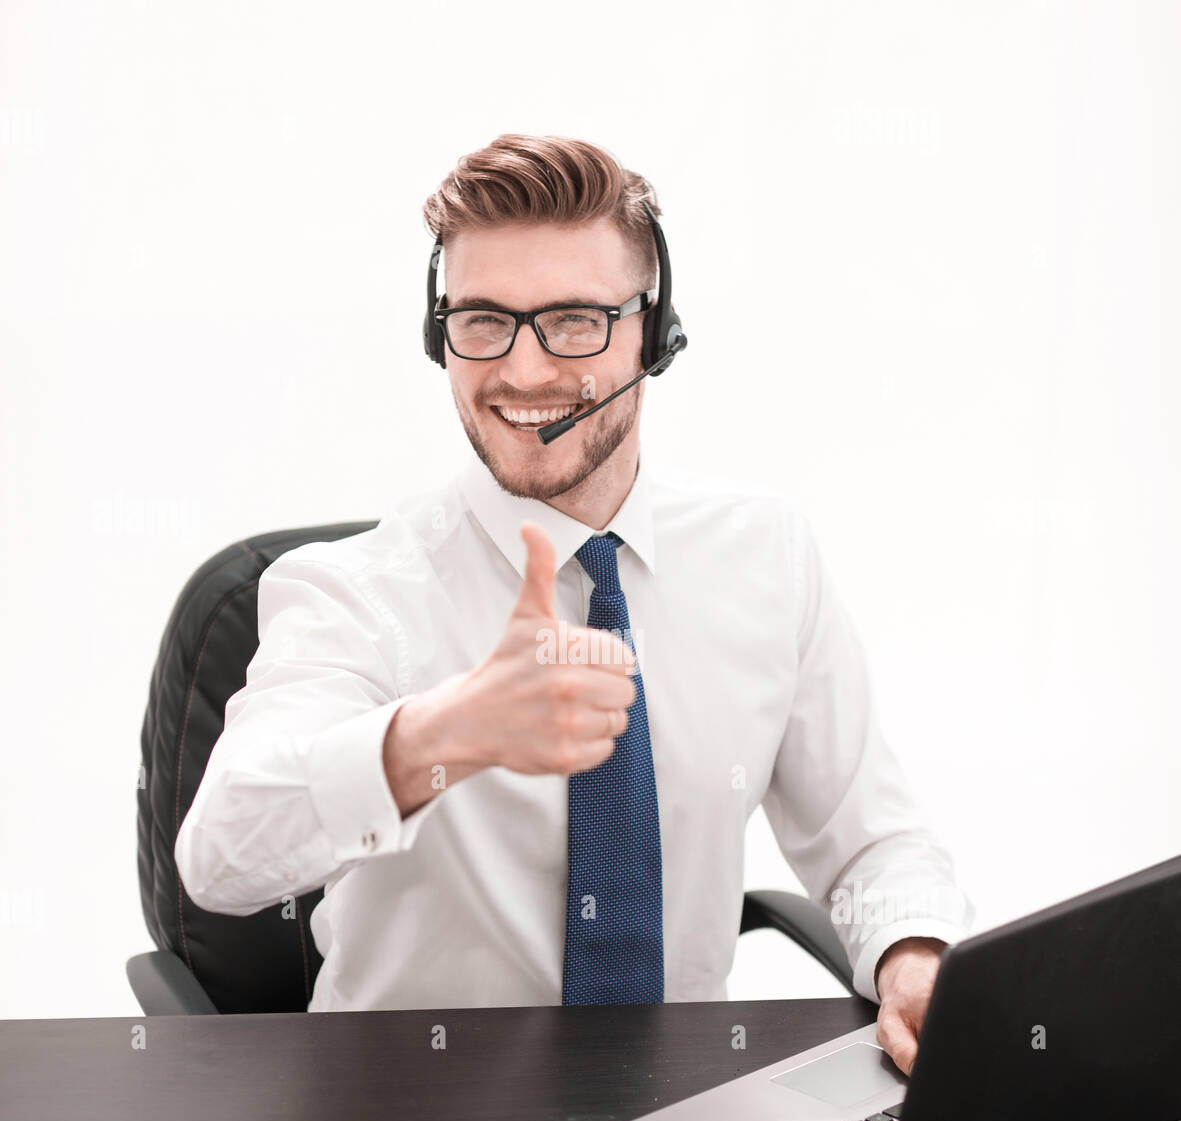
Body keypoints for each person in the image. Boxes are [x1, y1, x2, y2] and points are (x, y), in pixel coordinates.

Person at [176, 133, 974, 1073]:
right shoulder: (356, 589)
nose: (522, 370)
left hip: (679, 1120)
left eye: (573, 321)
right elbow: (220, 859)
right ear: (441, 335)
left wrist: (912, 954)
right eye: (482, 321)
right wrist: (446, 732)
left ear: (656, 331)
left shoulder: (765, 554)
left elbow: (867, 839)